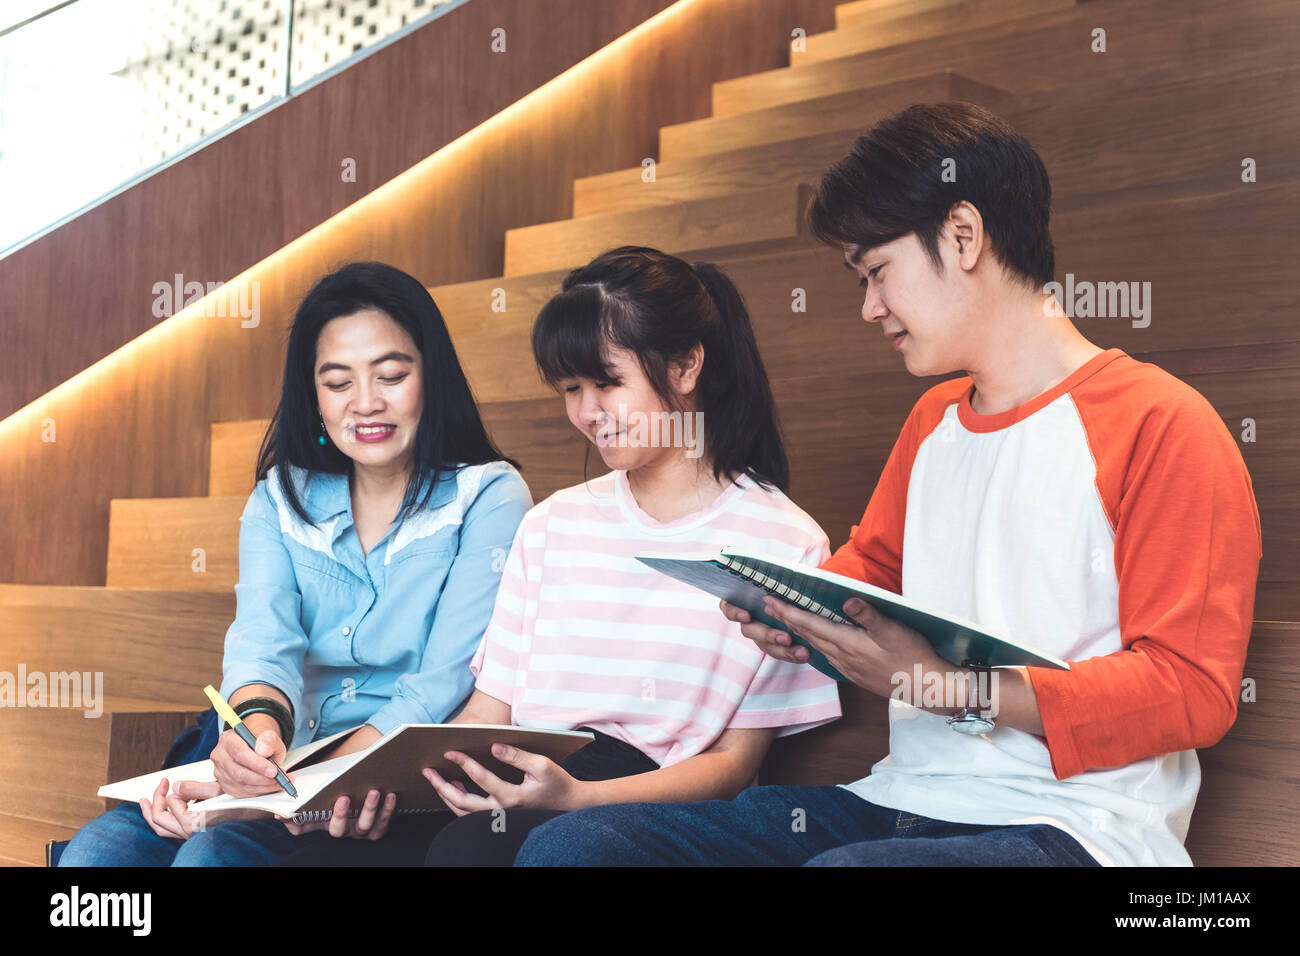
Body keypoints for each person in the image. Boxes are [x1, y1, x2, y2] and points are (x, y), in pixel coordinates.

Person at [513, 103, 1263, 867]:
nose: (870, 306)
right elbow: (866, 573)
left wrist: (948, 688)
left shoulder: (1162, 423)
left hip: (1078, 826)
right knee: (580, 845)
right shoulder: (934, 420)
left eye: (878, 272)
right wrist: (795, 613)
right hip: (906, 800)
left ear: (963, 235)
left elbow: (1191, 689)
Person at [278, 245, 842, 867]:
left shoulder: (786, 545)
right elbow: (490, 710)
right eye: (572, 388)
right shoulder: (551, 523)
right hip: (513, 769)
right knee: (320, 858)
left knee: (471, 853)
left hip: (636, 798)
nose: (587, 412)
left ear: (685, 366)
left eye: (607, 383)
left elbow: (734, 767)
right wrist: (371, 785)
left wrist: (578, 798)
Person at [58, 261, 532, 866]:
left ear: (431, 376)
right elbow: (263, 641)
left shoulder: (489, 496)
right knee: (94, 859)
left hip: (388, 771)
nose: (366, 403)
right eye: (338, 384)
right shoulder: (280, 499)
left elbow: (443, 685)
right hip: (281, 754)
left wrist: (312, 782)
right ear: (313, 394)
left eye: (390, 375)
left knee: (210, 859)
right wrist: (250, 735)